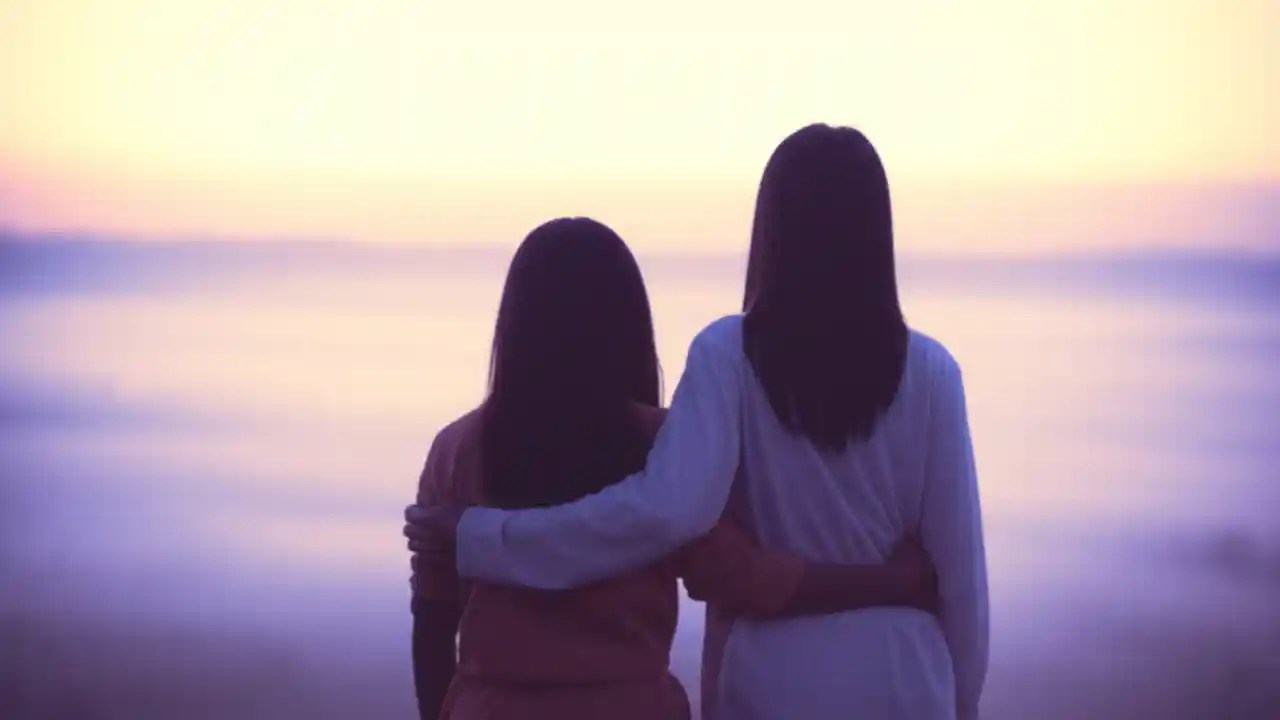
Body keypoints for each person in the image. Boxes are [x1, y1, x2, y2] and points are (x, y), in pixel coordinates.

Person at [408, 125, 989, 719]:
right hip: (895, 683)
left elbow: (665, 514)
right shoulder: (932, 371)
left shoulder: (726, 354)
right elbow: (957, 579)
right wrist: (941, 662)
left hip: (760, 684)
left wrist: (482, 539)